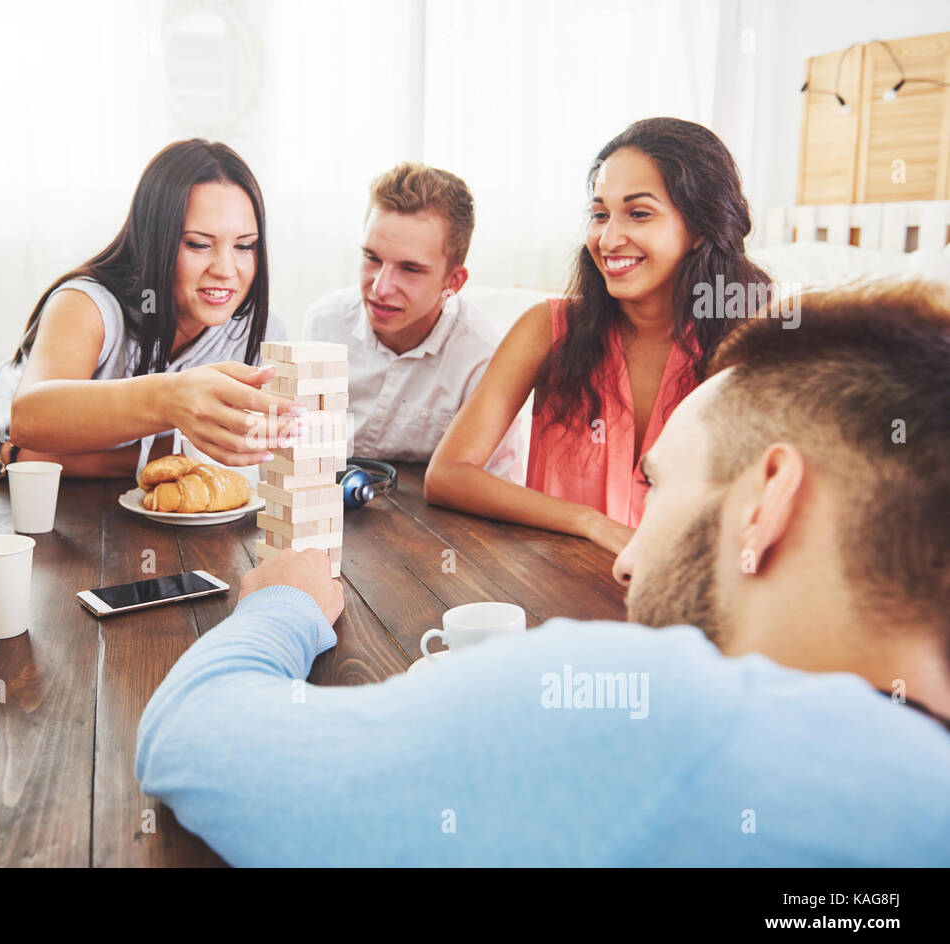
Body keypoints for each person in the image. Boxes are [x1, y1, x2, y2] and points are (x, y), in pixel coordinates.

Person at [135, 281, 950, 866]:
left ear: (767, 500)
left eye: (659, 486)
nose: (627, 557)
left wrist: (281, 603)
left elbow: (190, 733)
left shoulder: (661, 719)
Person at [425, 118, 773, 554]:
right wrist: (590, 523)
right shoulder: (546, 329)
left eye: (639, 213)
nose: (608, 239)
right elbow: (448, 475)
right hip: (558, 597)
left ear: (700, 228)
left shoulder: (753, 342)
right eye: (600, 214)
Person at [0, 139, 298, 526]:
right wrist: (0, 457)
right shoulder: (87, 303)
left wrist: (19, 457)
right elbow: (29, 422)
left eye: (245, 246)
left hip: (48, 454)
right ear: (155, 238)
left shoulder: (261, 330)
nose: (225, 268)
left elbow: (178, 456)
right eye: (198, 244)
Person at [301, 162, 521, 465]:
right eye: (372, 258)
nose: (380, 287)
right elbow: (298, 455)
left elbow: (495, 485)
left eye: (410, 269)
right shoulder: (324, 325)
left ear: (452, 282)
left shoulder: (482, 361)